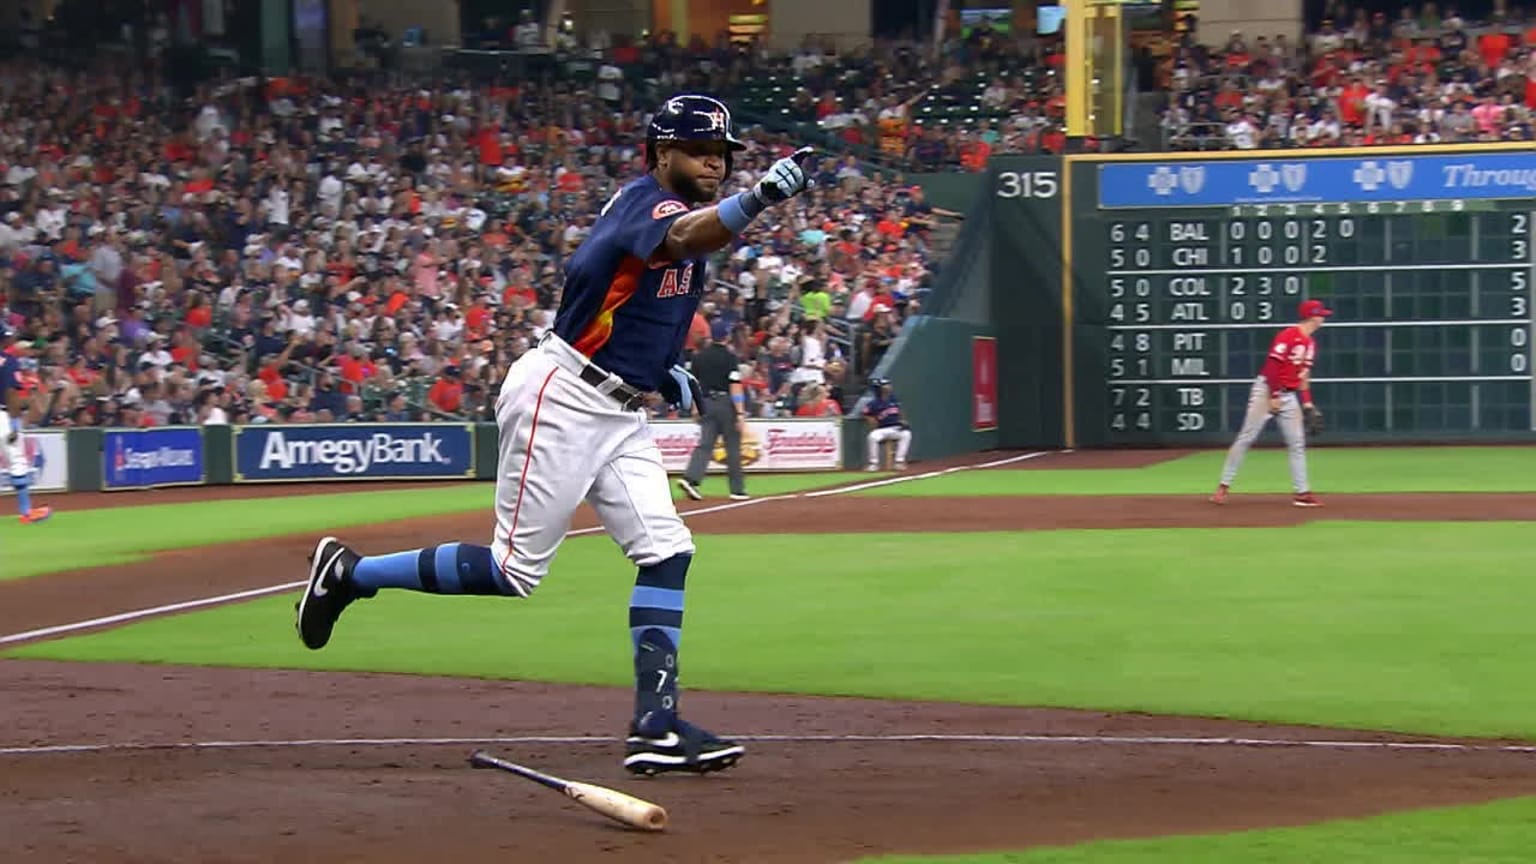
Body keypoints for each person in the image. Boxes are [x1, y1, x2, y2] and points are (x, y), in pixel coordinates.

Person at [294, 95, 815, 776]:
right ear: (662, 155)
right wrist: (761, 197)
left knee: (667, 550)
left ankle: (655, 727)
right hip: (565, 394)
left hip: (620, 409)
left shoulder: (676, 219)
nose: (714, 163)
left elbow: (635, 301)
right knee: (513, 573)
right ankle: (351, 574)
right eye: (698, 150)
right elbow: (684, 238)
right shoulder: (647, 204)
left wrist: (667, 371)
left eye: (722, 154)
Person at [1211, 299, 1330, 507]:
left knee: (1297, 443)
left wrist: (1308, 404)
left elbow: (1303, 376)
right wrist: (1273, 395)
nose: (1323, 318)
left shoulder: (1310, 343)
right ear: (1313, 316)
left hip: (1289, 395)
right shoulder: (1288, 335)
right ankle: (1223, 487)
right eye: (1321, 314)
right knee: (1247, 437)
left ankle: (1302, 493)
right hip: (1266, 390)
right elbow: (1272, 366)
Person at [677, 334, 748, 501]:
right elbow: (735, 385)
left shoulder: (699, 357)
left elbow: (693, 384)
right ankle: (737, 490)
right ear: (727, 337)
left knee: (705, 445)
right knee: (732, 448)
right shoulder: (730, 357)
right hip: (726, 404)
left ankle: (691, 478)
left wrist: (695, 408)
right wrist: (740, 412)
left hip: (706, 403)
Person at [0, 323, 52, 524]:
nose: (10, 340)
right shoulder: (8, 361)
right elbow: (11, 393)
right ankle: (25, 511)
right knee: (17, 460)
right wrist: (14, 423)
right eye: (7, 336)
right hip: (2, 415)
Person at [863, 378, 912, 471]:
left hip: (896, 428)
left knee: (907, 434)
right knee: (872, 437)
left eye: (888, 384)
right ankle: (874, 464)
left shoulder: (894, 399)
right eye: (886, 385)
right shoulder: (873, 403)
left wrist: (903, 420)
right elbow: (866, 414)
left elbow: (900, 411)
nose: (888, 387)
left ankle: (899, 462)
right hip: (882, 429)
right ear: (880, 388)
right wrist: (873, 423)